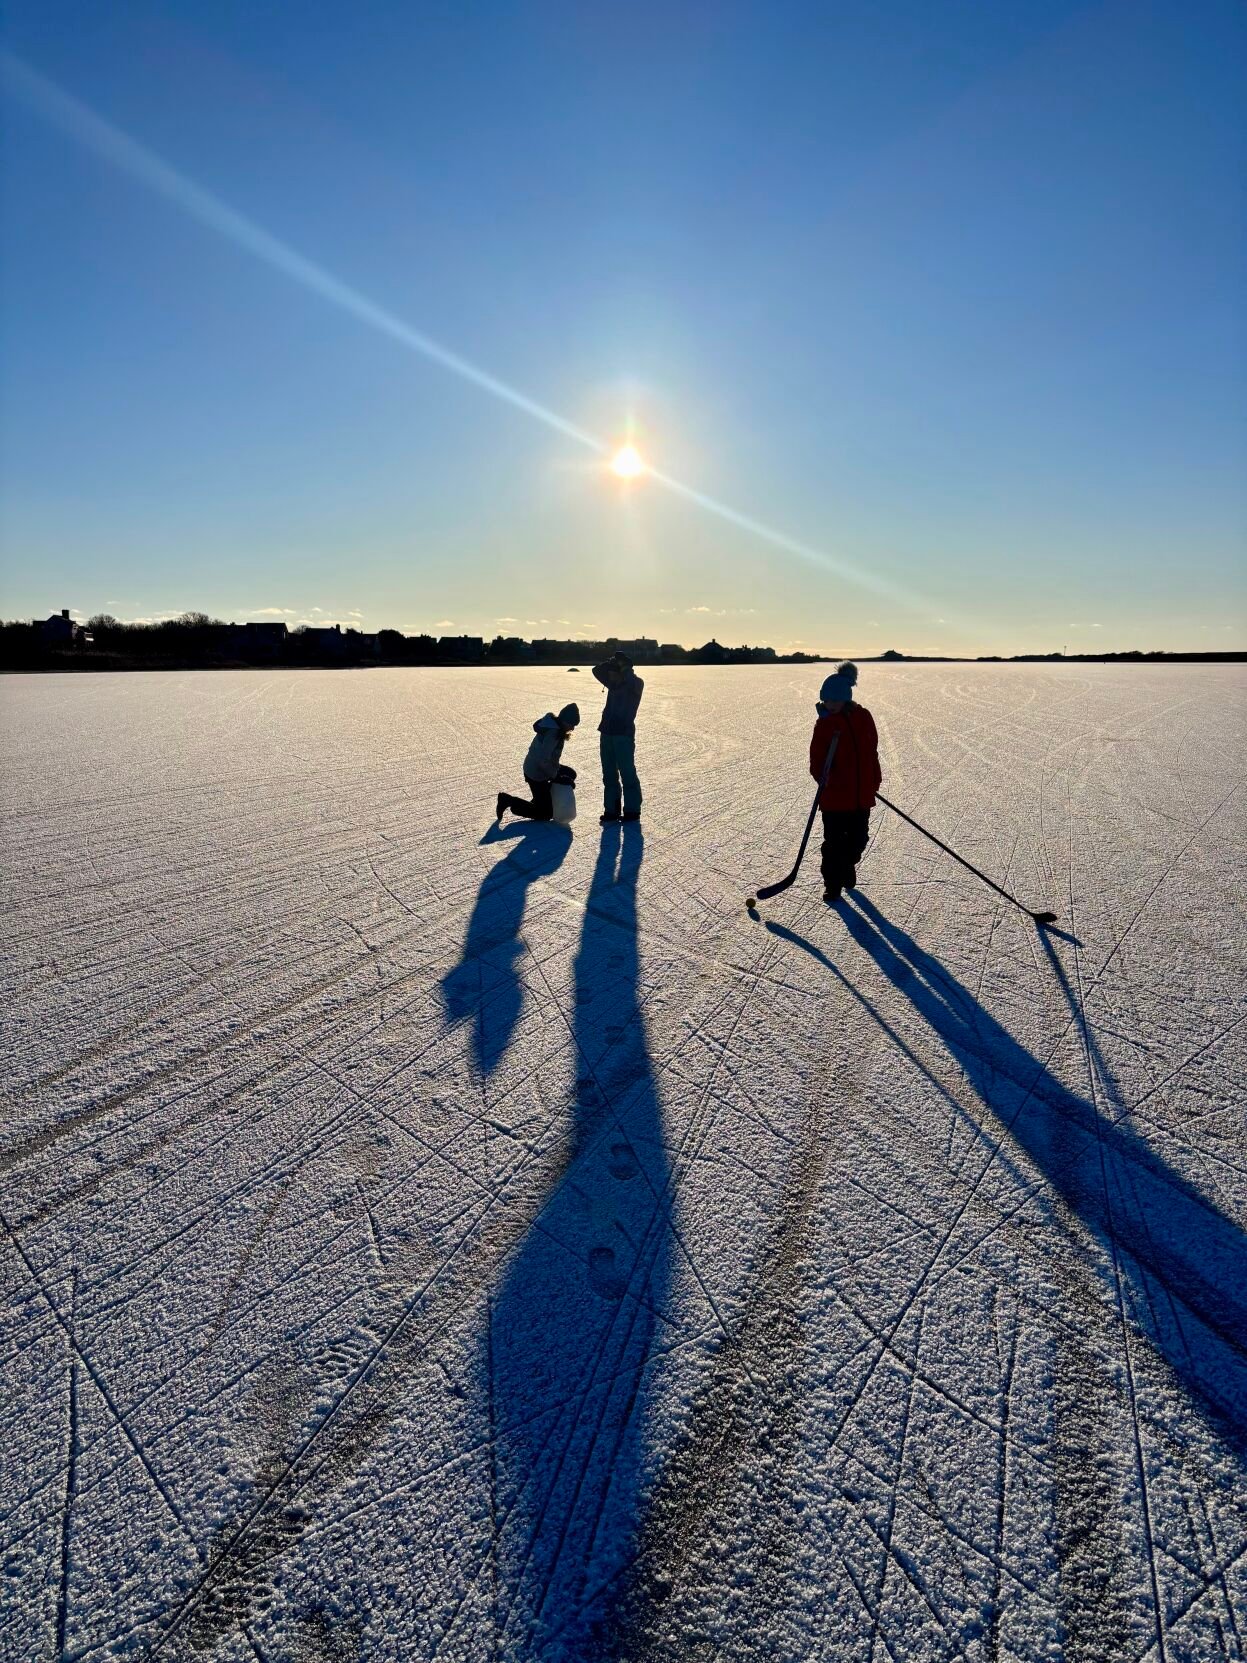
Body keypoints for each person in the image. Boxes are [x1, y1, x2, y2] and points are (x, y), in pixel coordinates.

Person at [809, 662, 881, 902]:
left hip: (860, 795)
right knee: (833, 844)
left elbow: (871, 751)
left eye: (835, 700)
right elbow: (817, 758)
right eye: (826, 700)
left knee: (858, 840)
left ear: (846, 698)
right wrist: (823, 776)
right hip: (835, 797)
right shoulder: (825, 725)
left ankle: (847, 864)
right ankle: (833, 884)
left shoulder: (863, 717)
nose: (830, 705)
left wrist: (874, 779)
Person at [496, 702, 579, 822]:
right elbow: (542, 760)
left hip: (542, 767)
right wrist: (556, 777)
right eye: (571, 724)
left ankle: (541, 800)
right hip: (536, 773)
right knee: (545, 814)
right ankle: (508, 800)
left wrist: (557, 776)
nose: (572, 728)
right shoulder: (553, 733)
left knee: (570, 774)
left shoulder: (556, 728)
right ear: (564, 720)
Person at [592, 651, 644, 824]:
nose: (610, 677)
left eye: (613, 673)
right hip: (606, 733)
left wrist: (625, 667)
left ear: (623, 672)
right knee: (609, 775)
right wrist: (611, 662)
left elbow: (632, 681)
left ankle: (632, 810)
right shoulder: (613, 685)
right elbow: (596, 670)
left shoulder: (635, 685)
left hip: (623, 735)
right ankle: (611, 810)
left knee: (627, 773)